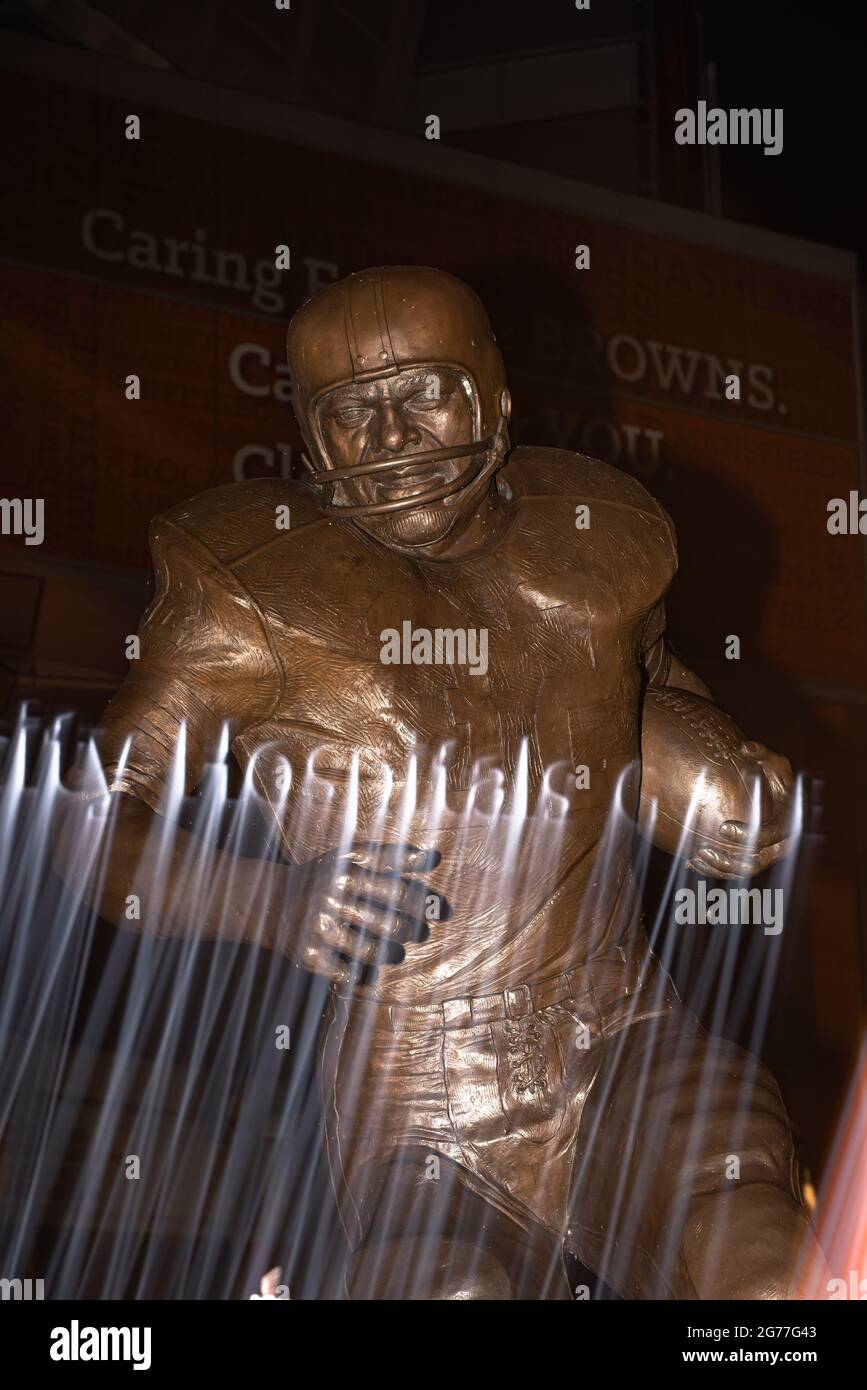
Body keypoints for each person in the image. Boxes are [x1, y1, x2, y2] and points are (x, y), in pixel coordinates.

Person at [56, 266, 823, 1299]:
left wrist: (723, 770)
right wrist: (271, 900)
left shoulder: (598, 538)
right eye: (352, 413)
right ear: (308, 437)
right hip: (422, 1093)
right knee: (449, 1289)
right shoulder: (247, 588)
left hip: (616, 1026)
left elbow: (638, 681)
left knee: (755, 1254)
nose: (393, 437)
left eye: (424, 392)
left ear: (494, 400)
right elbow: (94, 814)